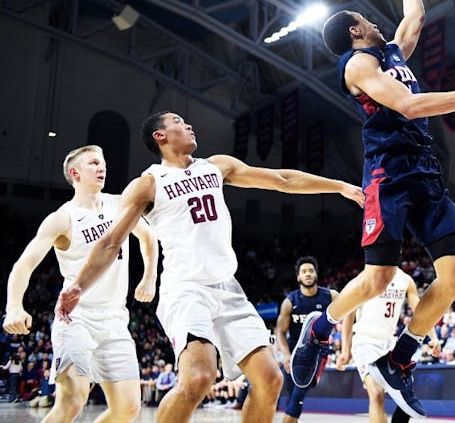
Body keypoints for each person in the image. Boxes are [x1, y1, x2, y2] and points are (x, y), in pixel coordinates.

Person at [290, 0, 455, 419]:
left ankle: (400, 358)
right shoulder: (358, 64)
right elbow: (409, 104)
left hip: (425, 169)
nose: (376, 22)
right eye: (366, 20)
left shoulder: (391, 54)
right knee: (379, 277)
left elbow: (414, 19)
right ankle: (319, 328)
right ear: (355, 31)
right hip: (389, 173)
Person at [56, 112, 364, 423]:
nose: (188, 124)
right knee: (199, 377)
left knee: (270, 379)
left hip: (228, 288)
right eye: (177, 121)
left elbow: (282, 180)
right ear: (159, 136)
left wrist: (339, 186)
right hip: (185, 289)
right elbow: (111, 242)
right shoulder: (147, 185)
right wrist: (78, 285)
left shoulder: (216, 166)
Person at [3, 145, 158, 423]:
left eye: (103, 163)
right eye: (94, 163)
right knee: (73, 401)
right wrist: (14, 306)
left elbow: (148, 238)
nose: (103, 168)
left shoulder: (119, 204)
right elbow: (22, 266)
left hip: (115, 320)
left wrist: (149, 278)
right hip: (76, 318)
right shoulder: (62, 218)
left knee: (128, 409)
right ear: (75, 172)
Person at [336, 268, 440, 423]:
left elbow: (421, 311)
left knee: (405, 399)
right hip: (366, 342)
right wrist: (345, 350)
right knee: (376, 393)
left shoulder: (406, 280)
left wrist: (434, 337)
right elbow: (349, 315)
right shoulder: (366, 276)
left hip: (390, 343)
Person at [275, 256, 339, 423]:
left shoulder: (330, 296)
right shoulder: (290, 302)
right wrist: (286, 355)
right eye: (304, 271)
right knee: (291, 397)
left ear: (316, 274)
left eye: (311, 270)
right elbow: (280, 332)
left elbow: (348, 314)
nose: (308, 274)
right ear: (298, 277)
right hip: (294, 350)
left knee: (297, 396)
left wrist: (344, 344)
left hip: (318, 351)